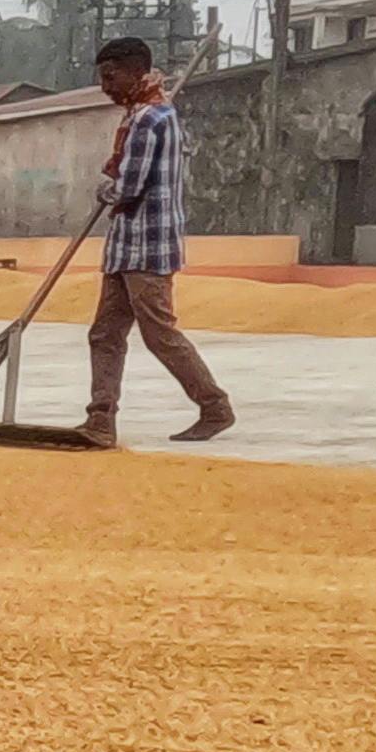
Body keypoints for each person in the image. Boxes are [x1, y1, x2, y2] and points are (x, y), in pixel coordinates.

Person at [77, 34, 234, 447]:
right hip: (123, 245)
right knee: (104, 335)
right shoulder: (136, 118)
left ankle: (214, 406)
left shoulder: (151, 119)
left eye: (111, 77)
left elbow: (128, 188)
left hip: (148, 247)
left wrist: (104, 190)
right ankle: (100, 419)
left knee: (159, 333)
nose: (106, 86)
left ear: (135, 73)